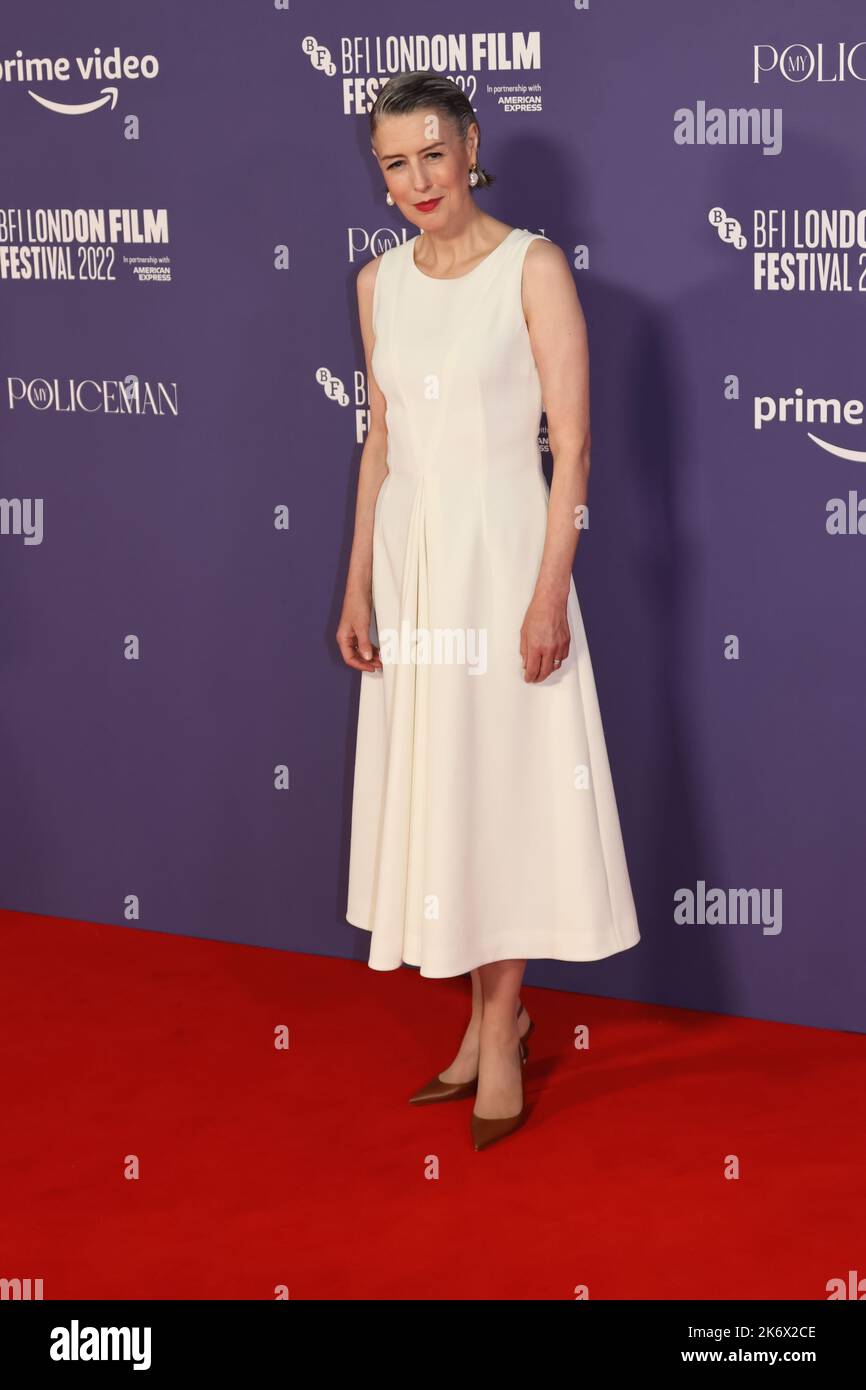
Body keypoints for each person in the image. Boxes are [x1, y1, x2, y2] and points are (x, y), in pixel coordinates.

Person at [337, 71, 640, 1152]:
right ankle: (482, 1017)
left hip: (504, 553)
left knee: (500, 783)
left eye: (432, 153)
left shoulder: (533, 267)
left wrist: (548, 587)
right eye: (393, 164)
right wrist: (357, 577)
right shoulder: (377, 283)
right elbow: (380, 442)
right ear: (379, 178)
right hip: (417, 562)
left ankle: (500, 1022)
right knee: (445, 784)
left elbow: (574, 448)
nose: (418, 180)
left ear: (469, 145)